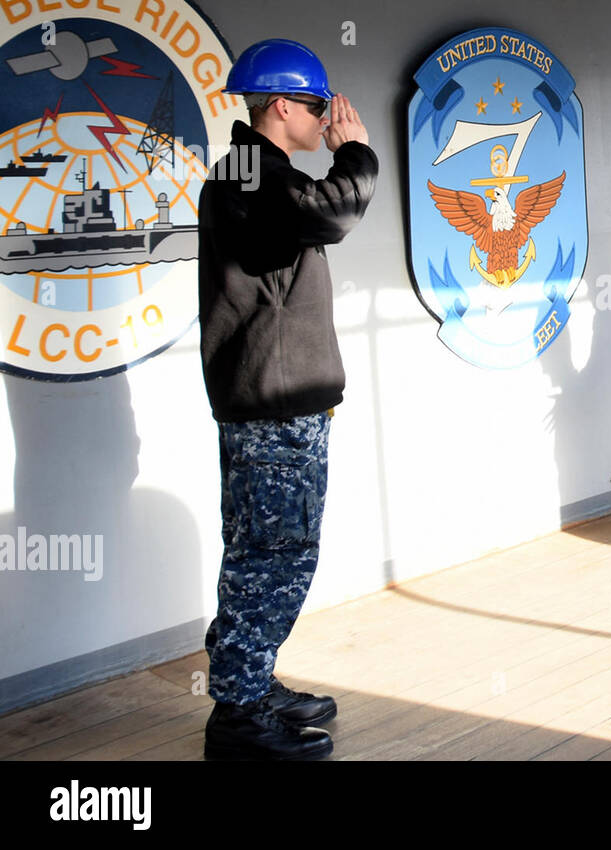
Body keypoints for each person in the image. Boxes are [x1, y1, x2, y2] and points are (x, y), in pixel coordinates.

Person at [198, 39, 378, 758]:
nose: (328, 117)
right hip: (272, 411)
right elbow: (330, 212)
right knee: (271, 558)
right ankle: (237, 722)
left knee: (266, 552)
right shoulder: (250, 172)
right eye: (317, 105)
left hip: (275, 405)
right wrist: (356, 155)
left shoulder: (255, 172)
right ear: (281, 106)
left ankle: (250, 681)